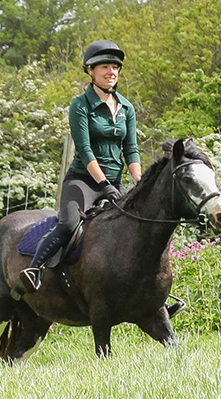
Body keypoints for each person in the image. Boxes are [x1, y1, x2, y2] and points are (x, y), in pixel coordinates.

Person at [22, 40, 144, 287]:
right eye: (105, 67)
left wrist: (141, 184)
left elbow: (131, 150)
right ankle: (34, 270)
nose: (112, 72)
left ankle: (148, 289)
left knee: (139, 226)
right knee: (69, 225)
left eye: (115, 68)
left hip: (114, 182)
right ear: (91, 71)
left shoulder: (126, 107)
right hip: (84, 181)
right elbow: (86, 151)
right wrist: (104, 184)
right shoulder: (81, 105)